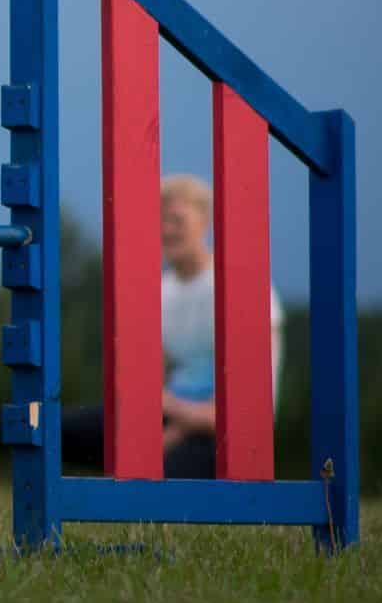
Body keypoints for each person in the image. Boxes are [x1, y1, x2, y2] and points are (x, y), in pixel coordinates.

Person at [61, 173, 285, 477]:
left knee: (163, 476)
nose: (167, 230)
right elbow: (149, 380)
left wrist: (175, 429)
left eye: (177, 220)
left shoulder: (242, 287)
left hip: (222, 430)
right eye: (161, 220)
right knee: (54, 430)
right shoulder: (160, 291)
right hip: (169, 415)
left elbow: (256, 398)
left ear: (205, 221)